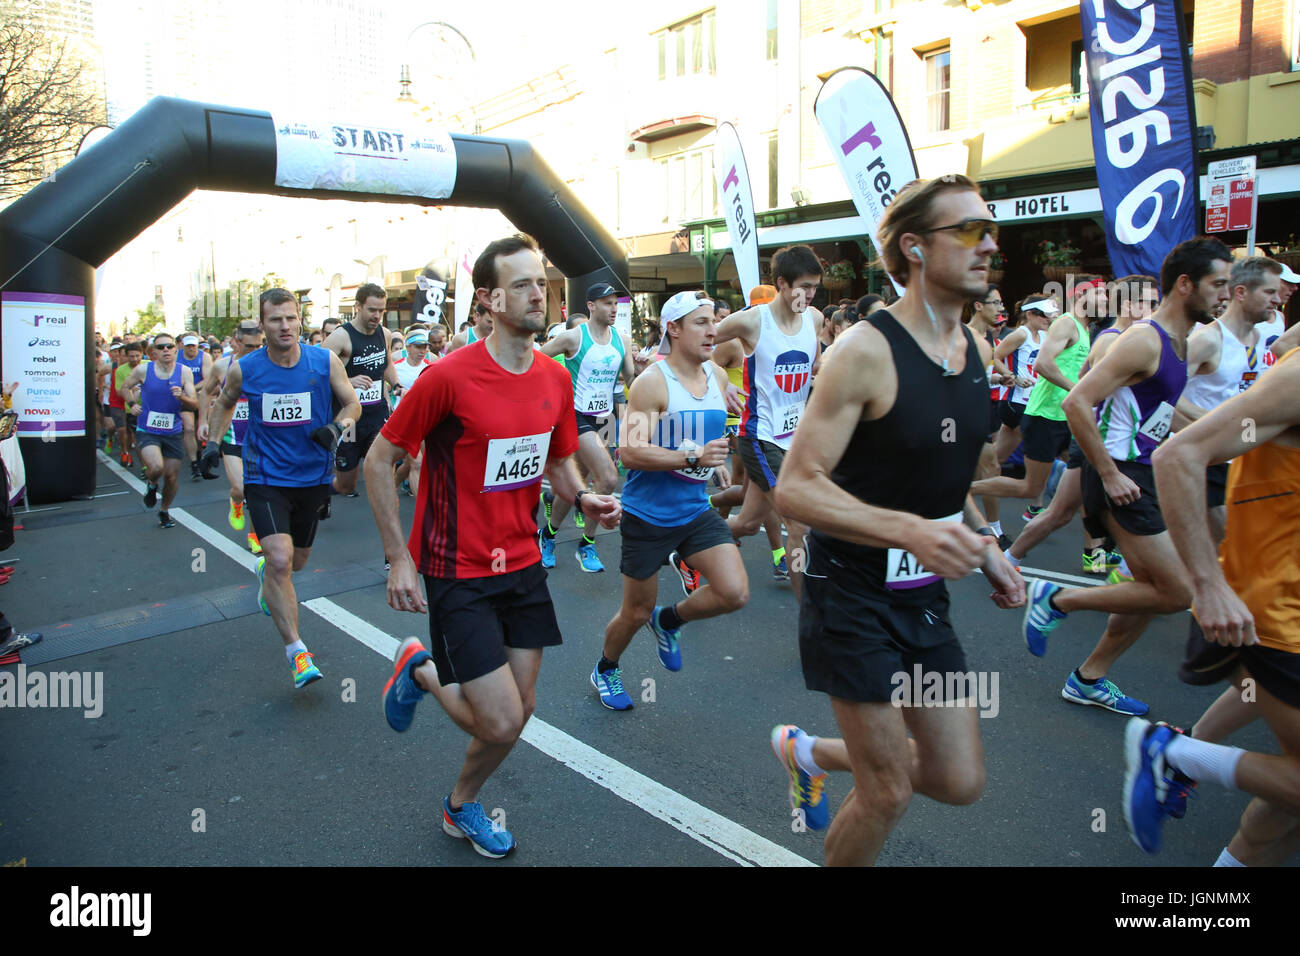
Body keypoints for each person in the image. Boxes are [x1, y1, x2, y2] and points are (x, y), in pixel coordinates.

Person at [769, 174, 1025, 865]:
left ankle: (809, 753)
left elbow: (939, 478)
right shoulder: (865, 351)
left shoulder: (973, 350)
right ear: (913, 247)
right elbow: (796, 487)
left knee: (959, 779)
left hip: (924, 599)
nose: (988, 245)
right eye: (968, 231)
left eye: (989, 230)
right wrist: (908, 530)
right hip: (848, 592)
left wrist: (985, 543)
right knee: (886, 792)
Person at [366, 234, 621, 859]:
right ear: (489, 297)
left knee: (522, 707)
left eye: (543, 282)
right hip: (457, 568)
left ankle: (459, 806)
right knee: (501, 719)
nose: (539, 292)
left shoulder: (553, 377)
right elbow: (379, 461)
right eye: (524, 283)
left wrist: (582, 497)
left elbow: (557, 461)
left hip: (525, 562)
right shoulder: (448, 378)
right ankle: (421, 671)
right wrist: (399, 557)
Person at [1022, 238, 1234, 715]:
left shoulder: (1177, 343)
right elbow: (1078, 402)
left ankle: (1089, 678)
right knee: (1177, 591)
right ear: (1185, 284)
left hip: (1145, 472)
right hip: (1121, 474)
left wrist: (1231, 439)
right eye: (1218, 284)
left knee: (1149, 592)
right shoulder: (1142, 338)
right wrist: (1108, 472)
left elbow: (1165, 411)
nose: (1225, 294)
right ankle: (1056, 598)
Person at [1126, 345, 1300, 861]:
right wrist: (1208, 585)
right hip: (1267, 613)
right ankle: (1173, 754)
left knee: (1287, 806)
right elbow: (1178, 453)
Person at [591, 291, 748, 708]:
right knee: (634, 612)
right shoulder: (651, 384)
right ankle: (606, 668)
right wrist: (693, 455)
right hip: (648, 515)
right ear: (673, 330)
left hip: (695, 509)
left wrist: (714, 462)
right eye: (700, 322)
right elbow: (628, 451)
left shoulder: (716, 376)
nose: (713, 330)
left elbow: (704, 428)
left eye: (713, 320)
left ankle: (670, 619)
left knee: (734, 592)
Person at [202, 289, 361, 690]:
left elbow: (352, 404)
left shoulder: (322, 361)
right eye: (276, 320)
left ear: (299, 320)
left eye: (290, 318)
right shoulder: (245, 368)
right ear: (263, 324)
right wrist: (212, 444)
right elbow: (223, 404)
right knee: (279, 559)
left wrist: (337, 427)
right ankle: (297, 652)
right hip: (265, 476)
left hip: (312, 478)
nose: (285, 326)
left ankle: (268, 578)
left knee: (297, 563)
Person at [1003, 276, 1159, 569]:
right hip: (1063, 419)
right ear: (1128, 303)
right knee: (1034, 491)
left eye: (1156, 302)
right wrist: (1080, 393)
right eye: (1148, 303)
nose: (1155, 309)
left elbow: (1089, 380)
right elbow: (1049, 370)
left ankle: (1092, 556)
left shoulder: (1106, 333)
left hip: (1083, 426)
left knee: (1067, 510)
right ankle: (969, 492)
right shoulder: (1104, 336)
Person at [714, 246, 822, 598]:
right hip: (760, 437)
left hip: (794, 440)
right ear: (781, 283)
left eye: (815, 288)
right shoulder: (752, 321)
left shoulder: (815, 319)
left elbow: (814, 368)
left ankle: (687, 542)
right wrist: (724, 381)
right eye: (802, 287)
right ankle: (809, 614)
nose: (808, 295)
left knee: (746, 524)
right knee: (799, 522)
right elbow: (696, 342)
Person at [538, 282, 637, 573]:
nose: (614, 308)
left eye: (615, 303)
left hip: (604, 417)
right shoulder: (573, 338)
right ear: (591, 306)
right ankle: (586, 545)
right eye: (607, 303)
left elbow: (631, 378)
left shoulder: (622, 339)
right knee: (606, 478)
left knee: (577, 486)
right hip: (576, 417)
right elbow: (535, 361)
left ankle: (549, 534)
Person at [324, 284, 401, 498]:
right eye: (372, 310)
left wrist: (395, 384)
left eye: (381, 310)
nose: (377, 316)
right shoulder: (340, 337)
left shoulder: (384, 334)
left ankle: (388, 509)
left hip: (377, 413)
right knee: (345, 485)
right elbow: (315, 374)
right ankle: (321, 492)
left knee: (384, 466)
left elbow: (386, 364)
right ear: (358, 306)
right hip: (349, 419)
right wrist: (348, 380)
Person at [119, 332, 198, 529]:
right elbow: (124, 387)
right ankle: (152, 485)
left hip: (173, 431)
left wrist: (182, 397)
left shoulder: (184, 372)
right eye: (161, 347)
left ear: (175, 349)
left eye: (169, 347)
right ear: (153, 352)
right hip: (148, 429)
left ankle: (164, 510)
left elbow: (194, 403)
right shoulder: (143, 370)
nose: (166, 350)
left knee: (171, 477)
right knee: (156, 467)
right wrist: (131, 403)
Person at [200, 322, 265, 553]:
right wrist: (203, 423)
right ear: (235, 342)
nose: (255, 350)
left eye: (259, 345)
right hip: (233, 438)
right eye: (249, 346)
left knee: (258, 489)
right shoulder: (221, 366)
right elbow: (206, 392)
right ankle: (236, 501)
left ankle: (255, 533)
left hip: (261, 439)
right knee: (241, 488)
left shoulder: (268, 364)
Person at [177, 334, 213, 481]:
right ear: (183, 346)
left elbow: (208, 379)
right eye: (188, 346)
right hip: (185, 398)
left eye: (194, 346)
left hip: (201, 396)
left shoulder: (204, 357)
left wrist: (192, 388)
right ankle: (193, 463)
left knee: (200, 430)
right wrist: (185, 391)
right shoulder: (176, 356)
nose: (192, 349)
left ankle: (198, 453)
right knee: (189, 428)